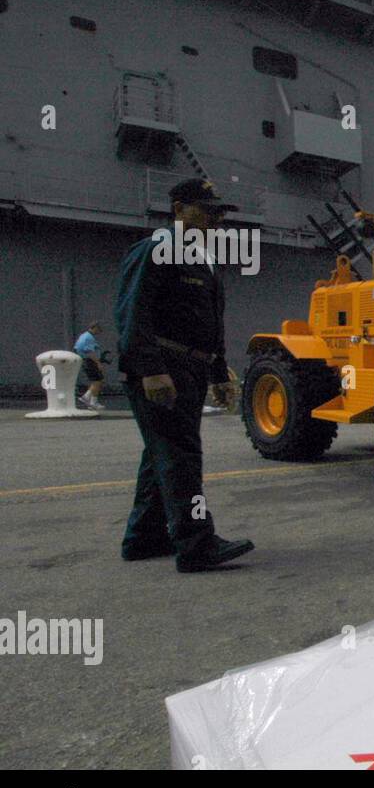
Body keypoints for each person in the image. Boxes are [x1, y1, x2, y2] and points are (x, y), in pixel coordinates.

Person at [114, 178, 254, 572]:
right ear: (178, 209)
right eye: (205, 210)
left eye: (218, 213)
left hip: (190, 369)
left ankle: (144, 538)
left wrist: (218, 372)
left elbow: (209, 325)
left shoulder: (202, 262)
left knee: (161, 455)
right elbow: (133, 313)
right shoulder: (156, 251)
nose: (214, 219)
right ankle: (197, 544)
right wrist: (152, 370)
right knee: (181, 456)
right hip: (165, 369)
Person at [74, 321, 107, 410]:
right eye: (98, 329)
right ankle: (87, 398)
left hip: (86, 361)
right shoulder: (89, 338)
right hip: (89, 361)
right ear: (94, 327)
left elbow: (77, 348)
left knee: (96, 381)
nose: (99, 332)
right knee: (98, 381)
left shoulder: (83, 336)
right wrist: (98, 363)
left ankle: (92, 402)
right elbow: (90, 352)